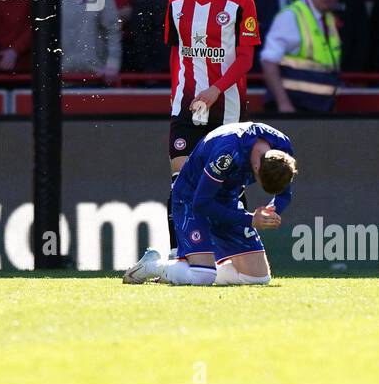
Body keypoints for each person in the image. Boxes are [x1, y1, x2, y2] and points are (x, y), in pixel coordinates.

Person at [161, 0, 261, 241]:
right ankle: (180, 257)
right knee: (180, 186)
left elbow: (245, 59)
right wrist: (179, 93)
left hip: (227, 112)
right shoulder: (176, 3)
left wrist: (216, 88)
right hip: (186, 110)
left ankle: (240, 254)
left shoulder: (240, 3)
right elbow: (177, 53)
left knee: (225, 189)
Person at [124, 121, 296, 287]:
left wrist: (272, 212)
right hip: (191, 198)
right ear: (257, 168)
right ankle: (153, 265)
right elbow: (202, 203)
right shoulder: (228, 152)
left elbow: (284, 194)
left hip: (227, 199)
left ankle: (183, 273)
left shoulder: (281, 149)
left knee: (258, 277)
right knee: (202, 276)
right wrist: (250, 220)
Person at [260, 0, 343, 114]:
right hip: (293, 110)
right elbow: (268, 61)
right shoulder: (291, 16)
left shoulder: (330, 20)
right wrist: (283, 104)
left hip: (321, 110)